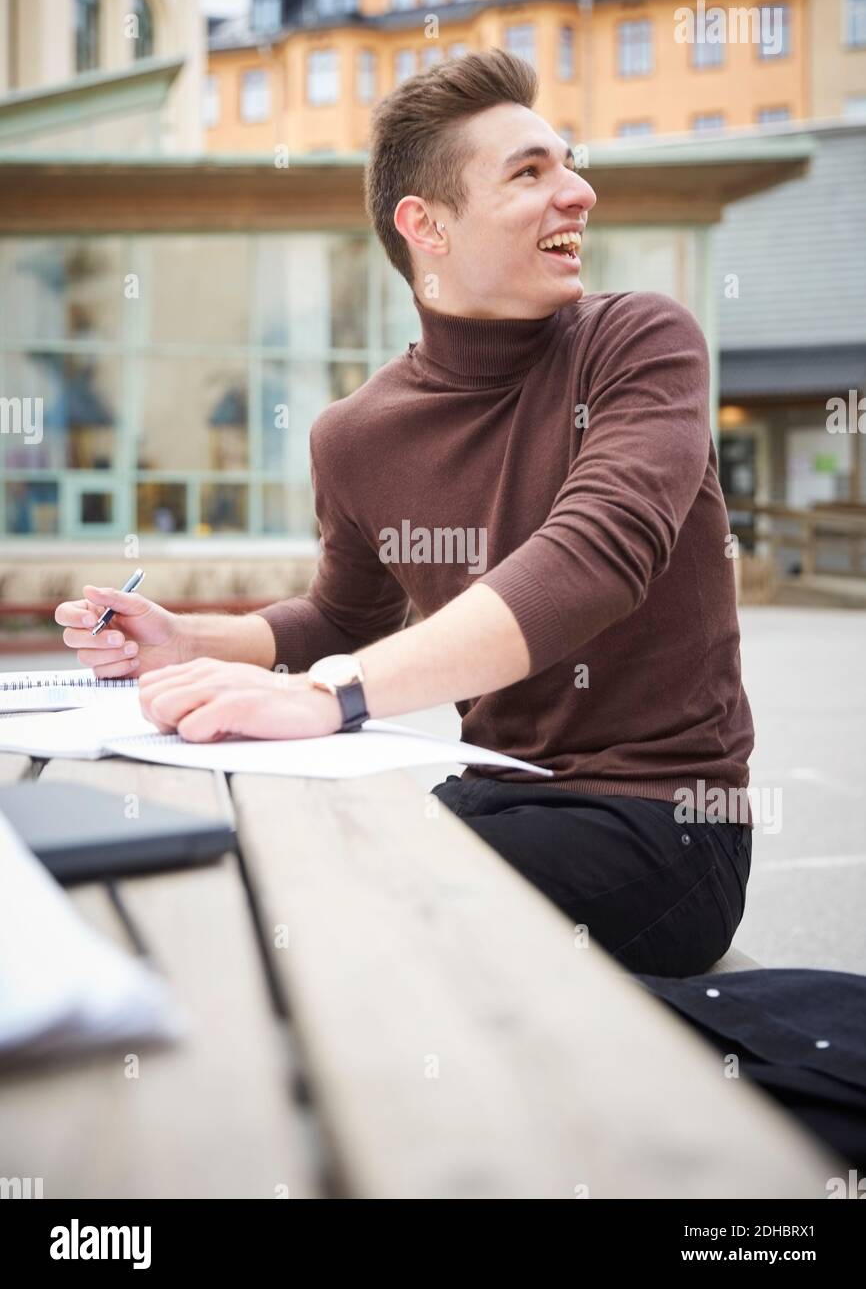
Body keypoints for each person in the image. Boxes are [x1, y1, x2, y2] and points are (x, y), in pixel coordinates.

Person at [54, 49, 754, 976]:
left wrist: (330, 693)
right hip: (494, 793)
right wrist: (192, 639)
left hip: (660, 828)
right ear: (426, 225)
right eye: (530, 172)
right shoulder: (356, 435)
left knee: (316, 910)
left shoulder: (639, 342)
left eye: (569, 164)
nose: (579, 193)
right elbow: (343, 616)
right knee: (233, 867)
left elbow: (596, 558)